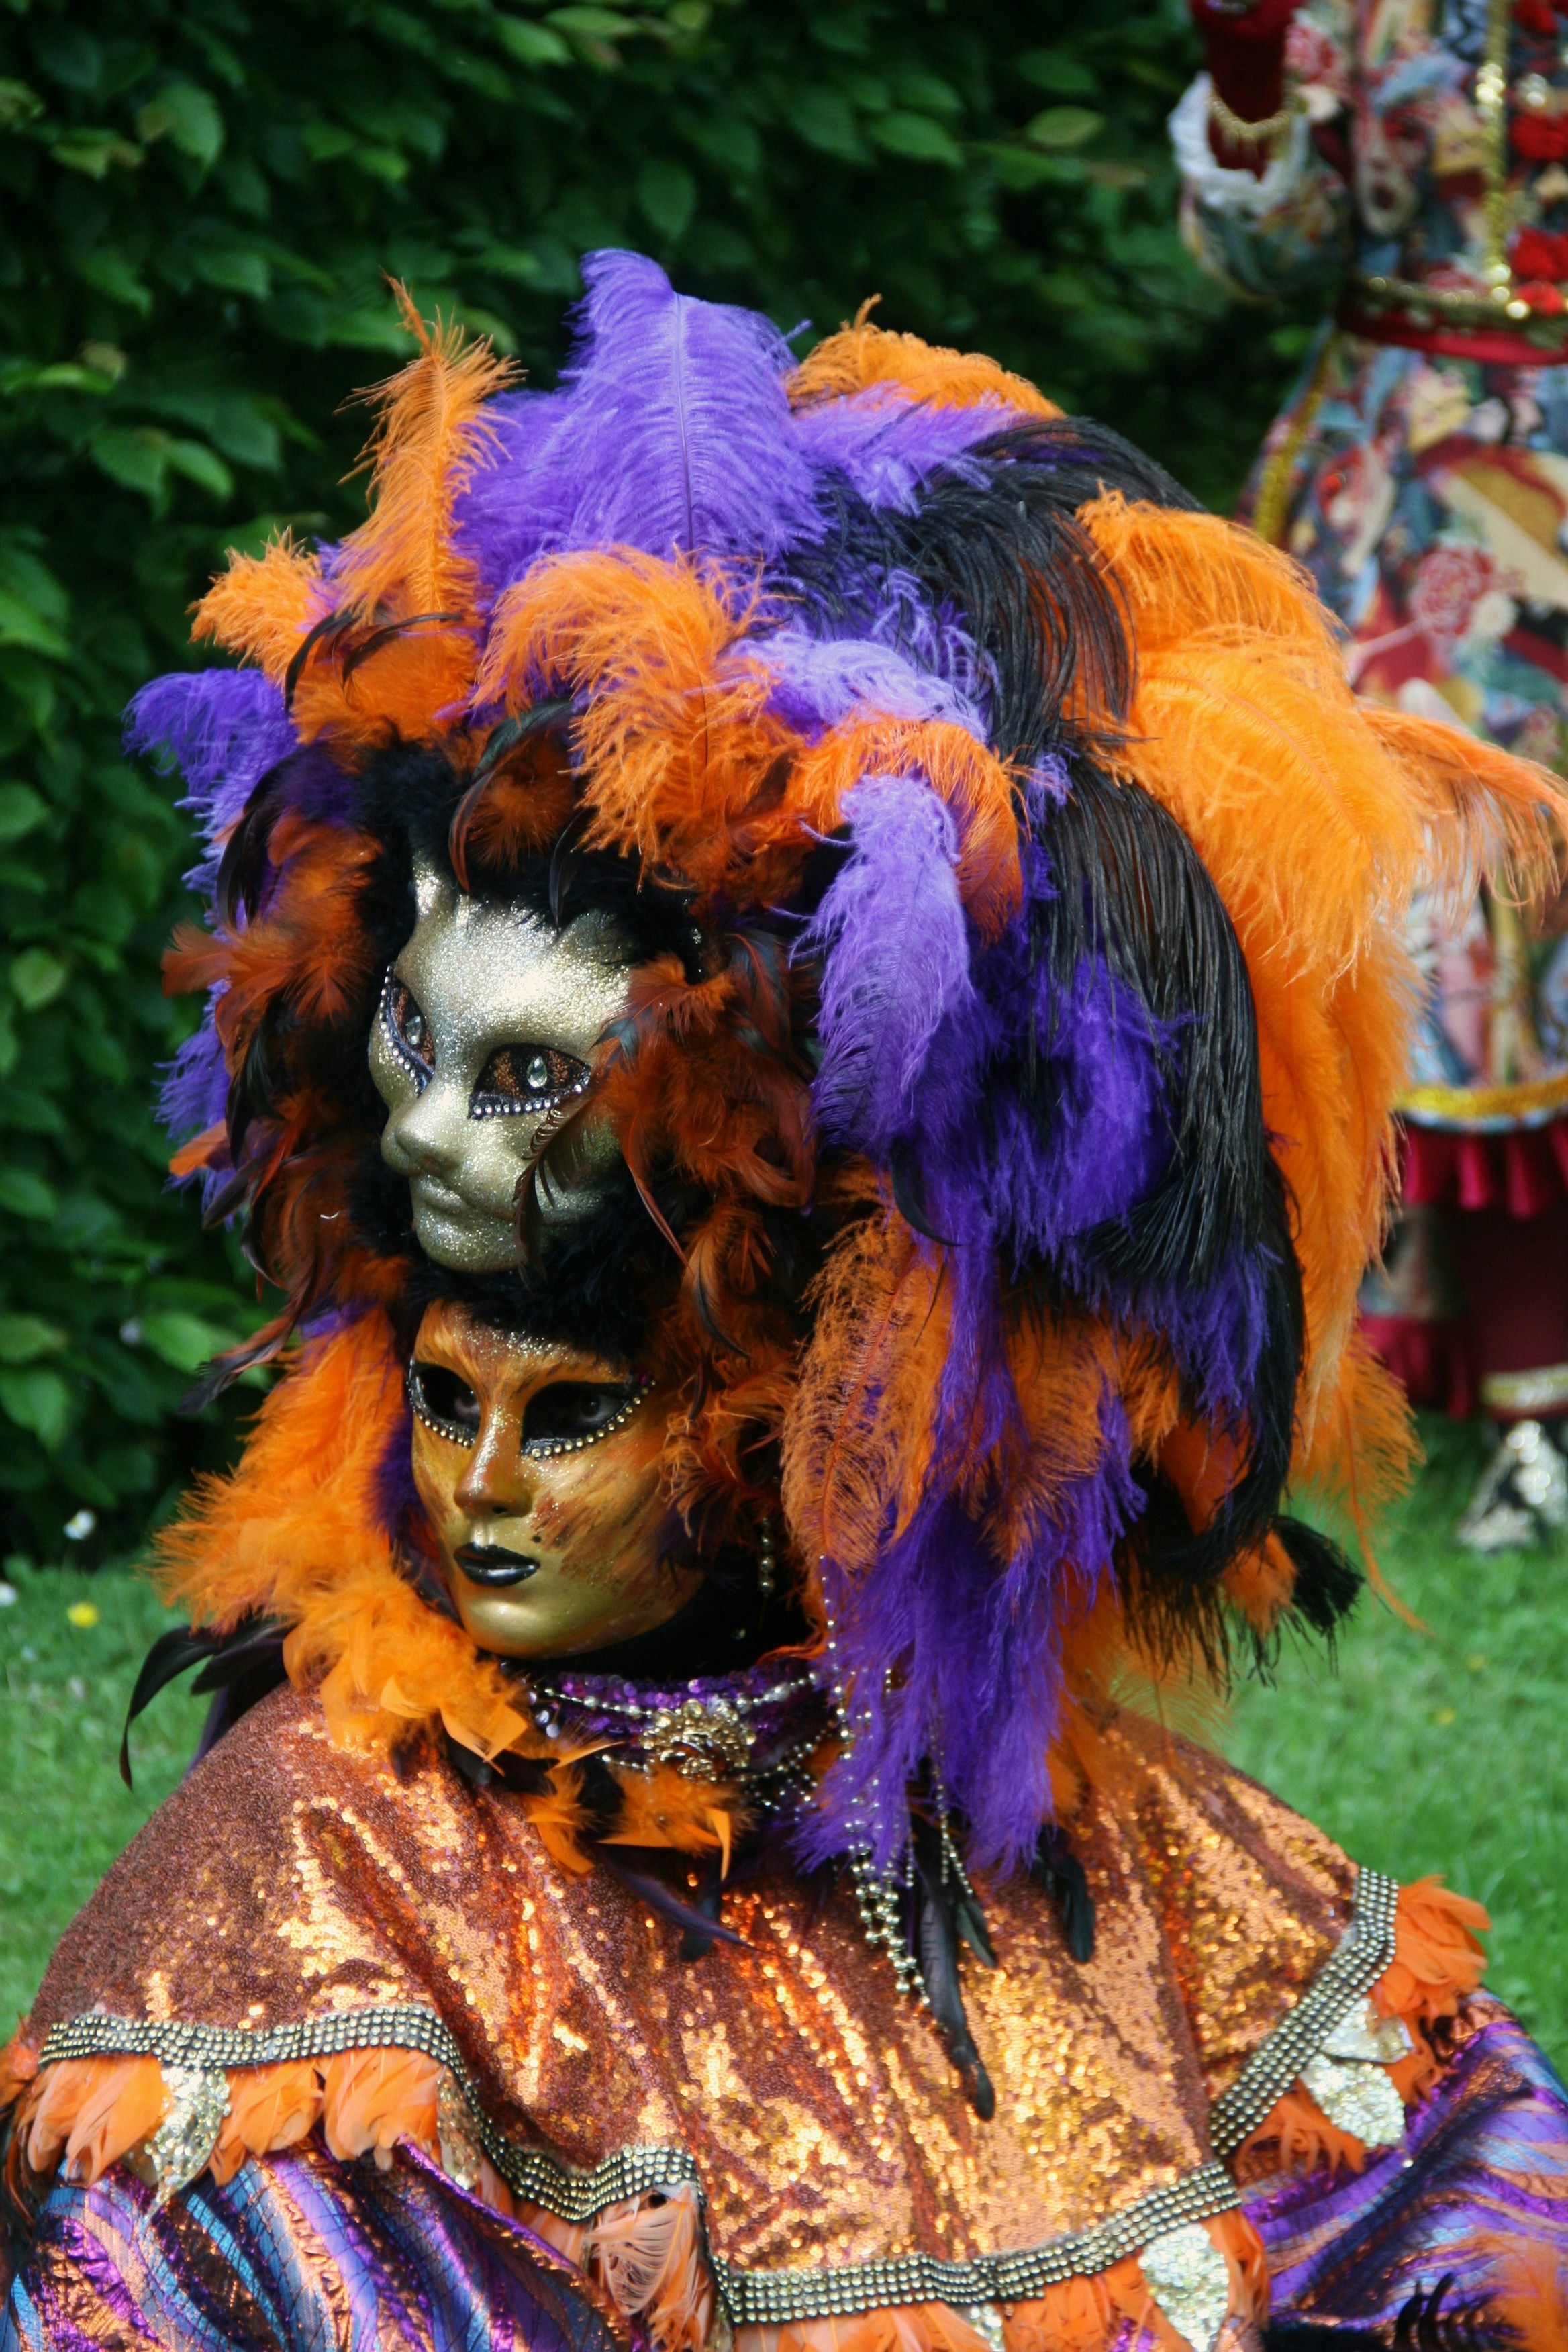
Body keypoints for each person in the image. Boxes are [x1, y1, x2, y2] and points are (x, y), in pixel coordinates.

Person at [3, 254, 1568, 2351]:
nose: (449, 1151)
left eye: (531, 1076)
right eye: (416, 1050)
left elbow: (1467, 2213)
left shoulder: (980, 1710)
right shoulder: (328, 1853)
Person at [1173, 0, 1568, 1549]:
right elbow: (1263, 266)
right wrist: (1250, 86)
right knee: (1445, 903)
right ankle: (1524, 1409)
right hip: (1404, 490)